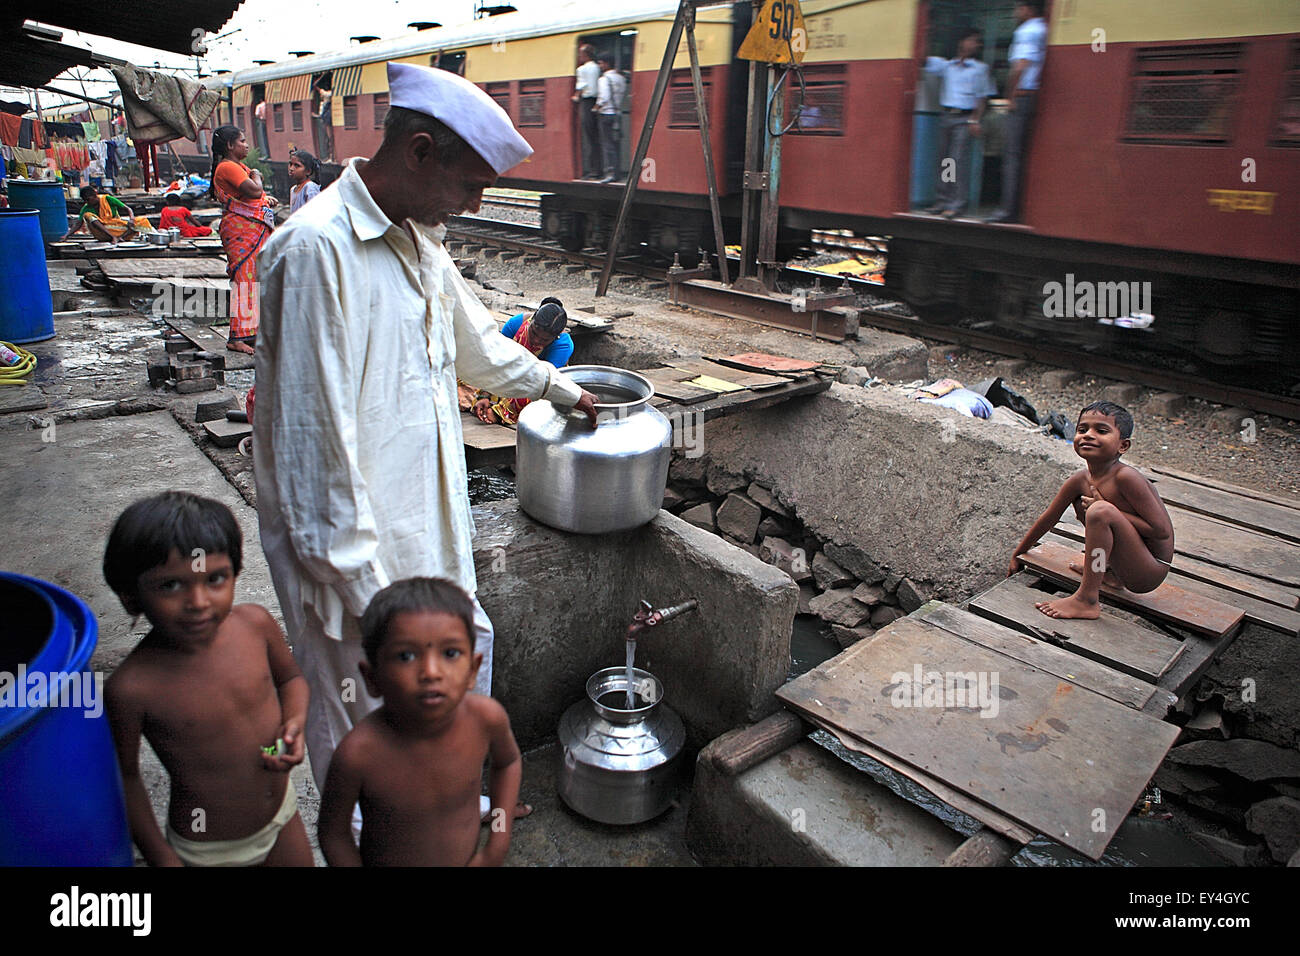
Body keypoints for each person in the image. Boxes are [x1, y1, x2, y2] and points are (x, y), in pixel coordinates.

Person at [253, 61, 598, 824]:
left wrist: (562, 389)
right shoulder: (315, 252)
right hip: (356, 578)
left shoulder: (422, 244)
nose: (476, 203)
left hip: (429, 539)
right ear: (417, 151)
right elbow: (317, 468)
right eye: (470, 183)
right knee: (369, 747)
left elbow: (478, 348)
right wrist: (387, 622)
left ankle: (451, 819)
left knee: (455, 691)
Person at [102, 492, 314, 867]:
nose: (198, 601)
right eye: (170, 585)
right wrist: (160, 856)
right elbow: (125, 779)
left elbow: (291, 680)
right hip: (209, 848)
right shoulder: (132, 688)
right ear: (131, 597)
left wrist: (293, 723)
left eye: (215, 578)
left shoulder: (255, 625)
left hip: (282, 815)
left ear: (235, 572)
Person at [318, 578, 522, 866]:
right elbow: (333, 834)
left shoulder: (486, 720)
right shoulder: (359, 754)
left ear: (473, 669)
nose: (430, 671)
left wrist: (497, 844)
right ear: (371, 678)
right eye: (406, 656)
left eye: (450, 653)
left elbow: (508, 763)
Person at [1008, 401, 1175, 620]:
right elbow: (1049, 518)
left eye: (1101, 431)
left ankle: (1087, 599)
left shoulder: (1126, 478)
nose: (1088, 435)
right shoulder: (1080, 480)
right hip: (1122, 564)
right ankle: (1108, 573)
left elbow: (1160, 531)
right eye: (1082, 429)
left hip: (1148, 570)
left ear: (1123, 446)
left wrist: (1107, 508)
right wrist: (1019, 553)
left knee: (1100, 511)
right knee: (1092, 507)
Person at [209, 125, 279, 355]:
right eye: (242, 141)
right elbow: (253, 191)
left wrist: (264, 198)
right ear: (230, 145)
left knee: (254, 280)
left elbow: (250, 196)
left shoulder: (236, 166)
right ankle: (237, 337)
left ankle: (252, 332)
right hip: (242, 231)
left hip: (248, 229)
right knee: (245, 280)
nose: (247, 145)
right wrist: (257, 175)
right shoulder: (228, 167)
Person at [459, 297, 574, 425]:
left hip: (534, 385)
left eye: (544, 340)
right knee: (467, 373)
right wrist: (484, 395)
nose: (536, 341)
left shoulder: (563, 345)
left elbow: (544, 382)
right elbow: (496, 361)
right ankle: (484, 401)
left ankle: (499, 412)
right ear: (532, 321)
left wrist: (499, 408)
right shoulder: (515, 324)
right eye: (534, 333)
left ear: (556, 336)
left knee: (534, 399)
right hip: (506, 374)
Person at [922, 29, 995, 218]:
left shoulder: (979, 69)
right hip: (947, 116)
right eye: (972, 40)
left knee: (955, 161)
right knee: (945, 160)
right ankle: (942, 200)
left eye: (977, 42)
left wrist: (974, 119)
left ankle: (955, 203)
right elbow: (921, 58)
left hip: (964, 118)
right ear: (961, 42)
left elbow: (982, 98)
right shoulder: (947, 66)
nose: (975, 45)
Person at [987, 1, 1047, 224]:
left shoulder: (1027, 30)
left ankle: (1007, 211)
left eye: (1017, 7)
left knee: (1011, 156)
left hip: (1022, 96)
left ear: (1027, 9)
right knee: (1020, 154)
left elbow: (1020, 66)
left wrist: (1009, 97)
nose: (1014, 12)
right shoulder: (1043, 28)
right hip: (1032, 96)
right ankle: (1015, 208)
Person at [69, 185, 154, 243]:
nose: (87, 202)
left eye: (88, 199)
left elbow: (128, 209)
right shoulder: (86, 208)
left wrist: (131, 219)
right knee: (87, 215)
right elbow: (78, 224)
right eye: (85, 200)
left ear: (95, 195)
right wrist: (66, 236)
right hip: (103, 233)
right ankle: (113, 237)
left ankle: (121, 238)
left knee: (142, 220)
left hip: (117, 227)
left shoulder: (107, 199)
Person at [594, 53, 626, 183]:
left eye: (601, 63)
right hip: (617, 114)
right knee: (616, 144)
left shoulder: (603, 79)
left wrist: (596, 107)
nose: (599, 66)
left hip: (606, 114)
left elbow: (604, 97)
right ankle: (617, 171)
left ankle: (610, 173)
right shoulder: (621, 78)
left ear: (607, 63)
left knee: (607, 145)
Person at [572, 44, 601, 179]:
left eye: (581, 54)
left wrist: (576, 96)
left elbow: (581, 86)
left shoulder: (582, 69)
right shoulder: (598, 68)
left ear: (585, 55)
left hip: (587, 101)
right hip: (598, 102)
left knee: (589, 137)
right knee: (598, 137)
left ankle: (593, 171)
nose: (579, 56)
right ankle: (599, 169)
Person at [287, 148, 321, 215]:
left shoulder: (310, 187)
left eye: (297, 166)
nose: (291, 169)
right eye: (290, 164)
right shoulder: (293, 189)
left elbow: (315, 213)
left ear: (308, 171)